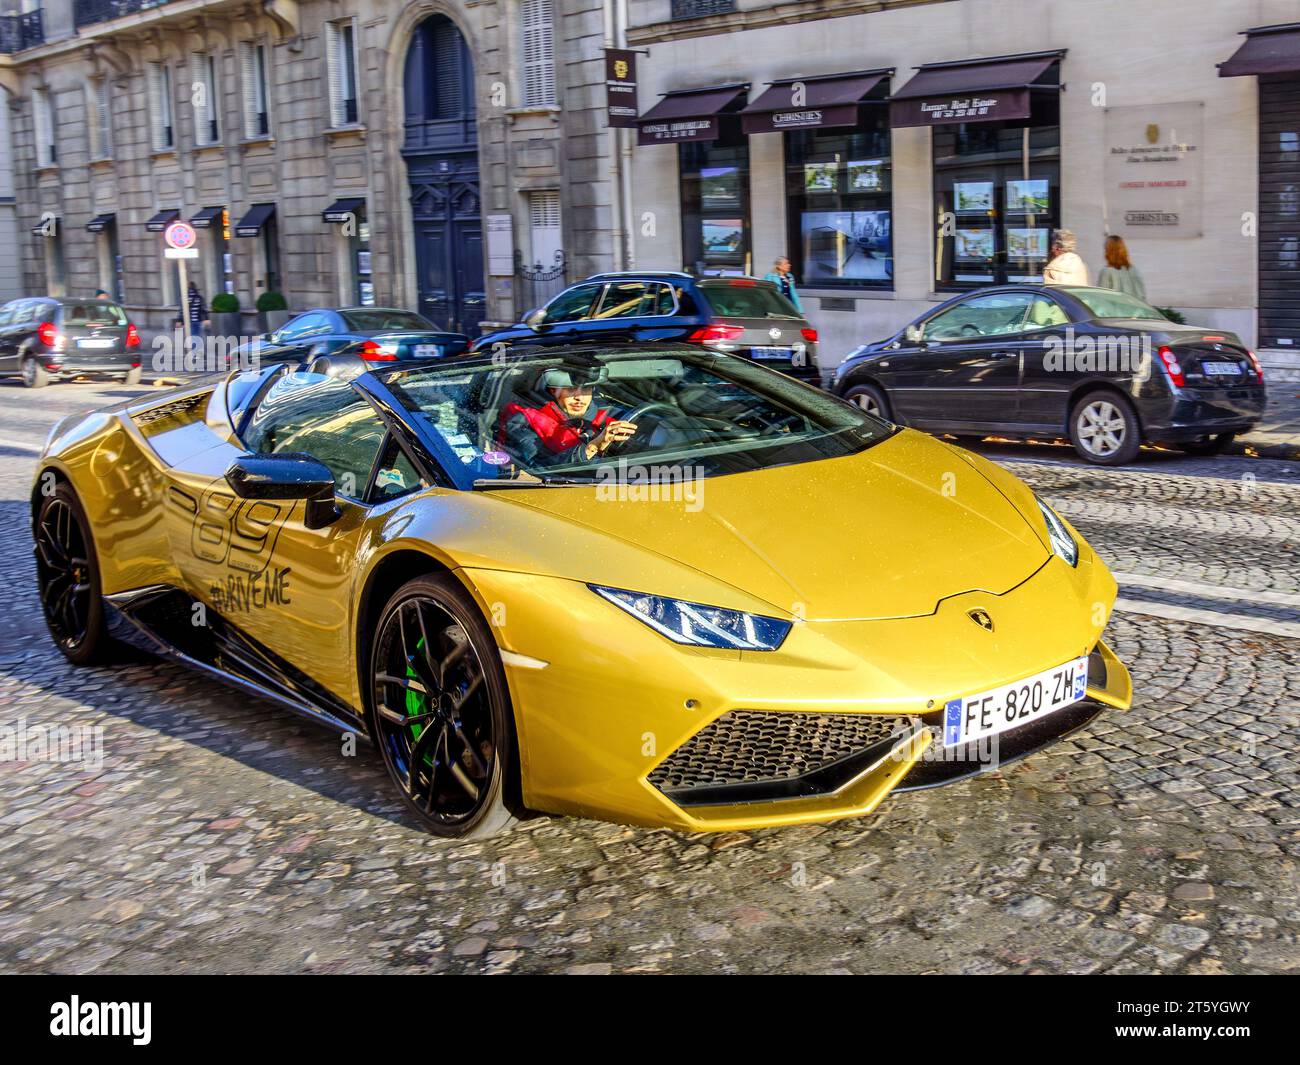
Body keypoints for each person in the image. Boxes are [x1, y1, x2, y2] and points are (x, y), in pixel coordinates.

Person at [499, 368, 637, 466]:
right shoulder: (525, 420)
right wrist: (592, 447)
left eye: (586, 389)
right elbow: (542, 467)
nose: (579, 397)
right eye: (570, 389)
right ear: (554, 390)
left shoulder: (612, 418)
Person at [1096, 235, 1146, 300]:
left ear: (1108, 251)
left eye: (1105, 249)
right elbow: (1142, 295)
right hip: (1136, 308)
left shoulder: (1106, 272)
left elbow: (1102, 298)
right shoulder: (1134, 270)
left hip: (1117, 309)